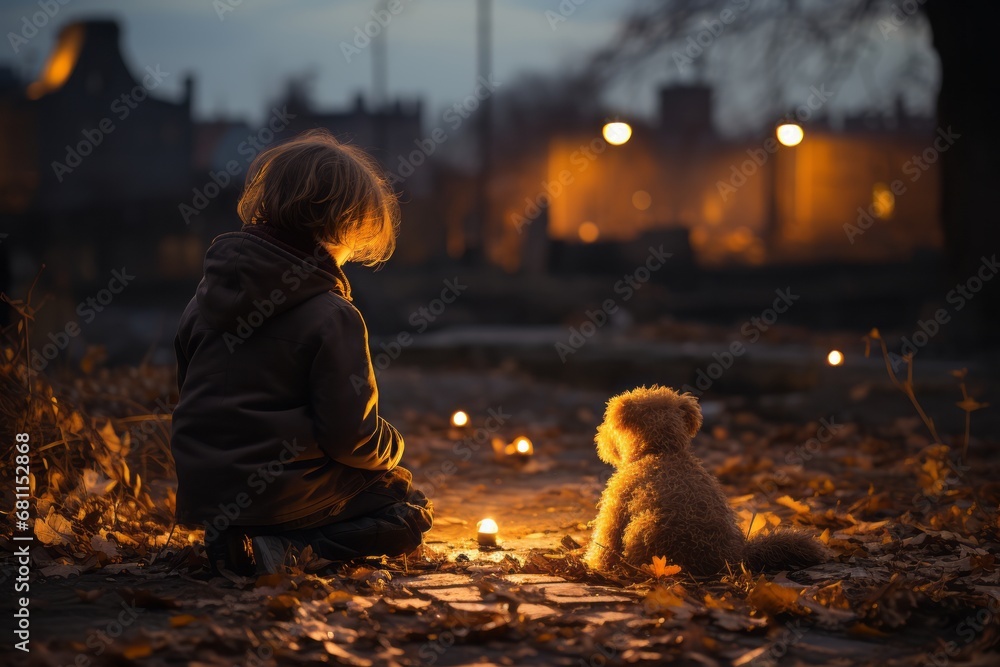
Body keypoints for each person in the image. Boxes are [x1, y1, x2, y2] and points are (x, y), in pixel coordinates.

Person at [170, 129, 432, 575]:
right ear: (343, 226)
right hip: (283, 493)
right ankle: (290, 548)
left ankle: (235, 536)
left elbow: (192, 392)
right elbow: (351, 438)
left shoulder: (201, 300)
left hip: (206, 494)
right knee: (407, 506)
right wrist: (394, 446)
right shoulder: (332, 315)